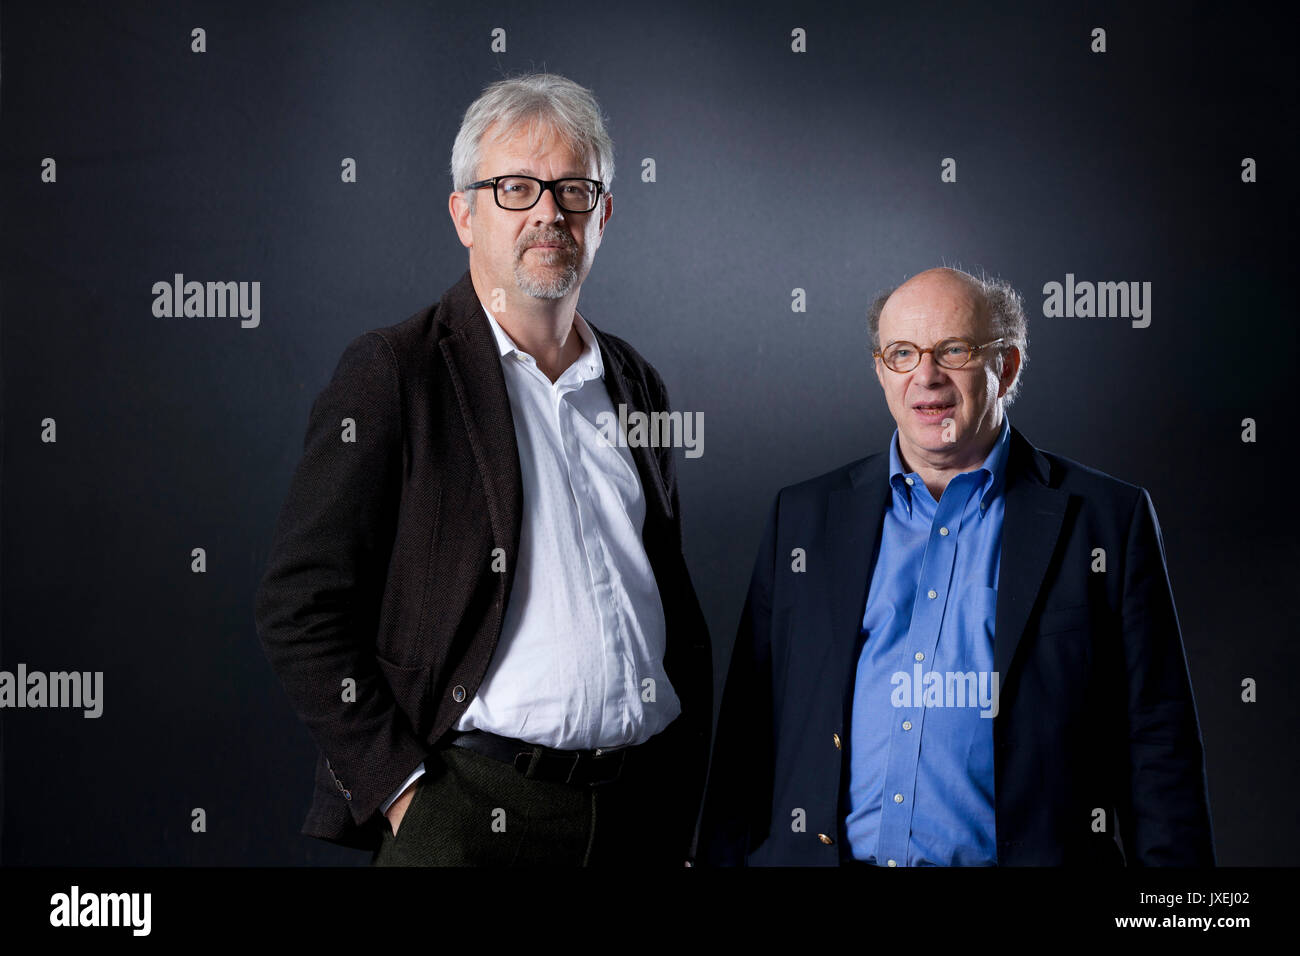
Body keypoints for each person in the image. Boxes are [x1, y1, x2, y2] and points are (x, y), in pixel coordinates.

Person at [254, 73, 711, 866]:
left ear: (603, 213)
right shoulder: (394, 373)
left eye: (572, 188)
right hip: (470, 814)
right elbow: (298, 606)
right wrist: (401, 793)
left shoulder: (638, 385)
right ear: (465, 214)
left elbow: (663, 592)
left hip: (637, 813)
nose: (547, 211)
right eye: (514, 187)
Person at [697, 266, 1214, 866]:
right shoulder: (805, 518)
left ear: (1008, 367)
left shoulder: (1106, 520)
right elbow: (746, 731)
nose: (927, 375)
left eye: (955, 350)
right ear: (880, 370)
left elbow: (1159, 745)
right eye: (902, 353)